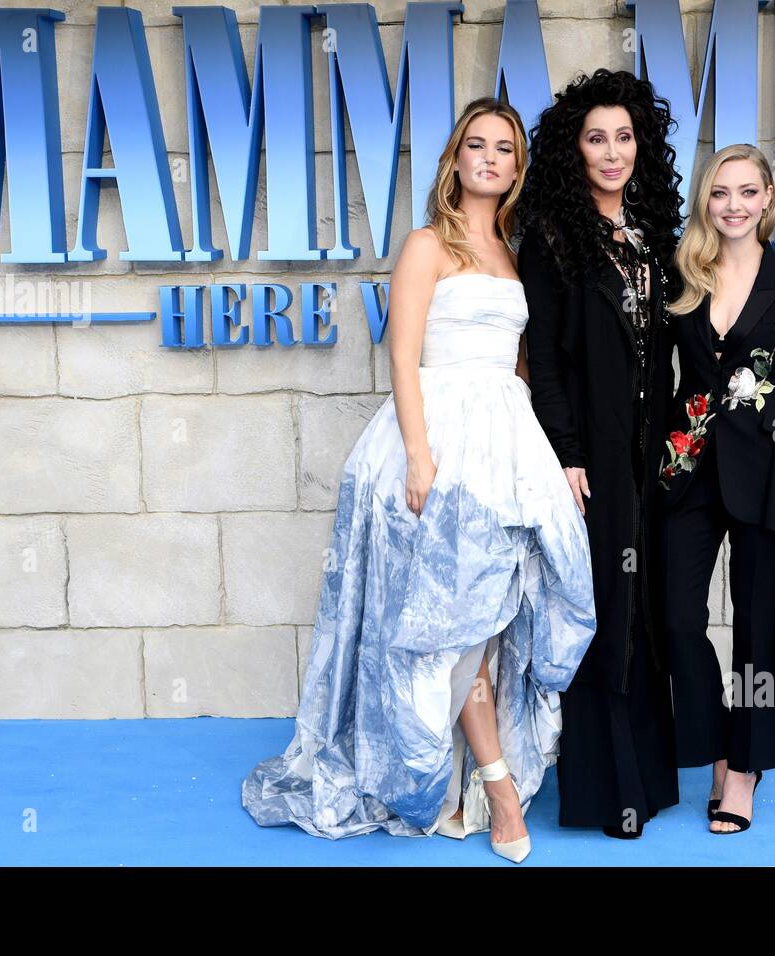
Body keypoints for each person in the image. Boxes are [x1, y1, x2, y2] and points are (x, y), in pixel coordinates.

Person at [241, 97, 597, 863]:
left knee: (498, 615)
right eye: (478, 145)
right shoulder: (427, 244)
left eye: (506, 148)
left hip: (505, 438)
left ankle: (464, 784)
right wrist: (419, 454)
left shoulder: (512, 248)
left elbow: (520, 361)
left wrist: (544, 451)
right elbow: (403, 356)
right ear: (456, 158)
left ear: (517, 165)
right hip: (437, 437)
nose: (492, 159)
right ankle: (497, 795)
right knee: (453, 623)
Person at [517, 69, 684, 839]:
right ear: (572, 151)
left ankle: (647, 779)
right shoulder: (553, 238)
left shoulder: (654, 235)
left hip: (651, 456)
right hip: (593, 454)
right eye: (596, 138)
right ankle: (603, 793)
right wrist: (567, 453)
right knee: (603, 613)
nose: (612, 152)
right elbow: (545, 360)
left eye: (624, 136)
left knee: (646, 607)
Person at [658, 143, 775, 835]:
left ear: (766, 200)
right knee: (675, 618)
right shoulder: (682, 275)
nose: (732, 204)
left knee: (757, 633)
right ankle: (711, 741)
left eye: (746, 192)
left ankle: (744, 767)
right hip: (685, 471)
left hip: (770, 477)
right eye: (719, 192)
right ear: (706, 201)